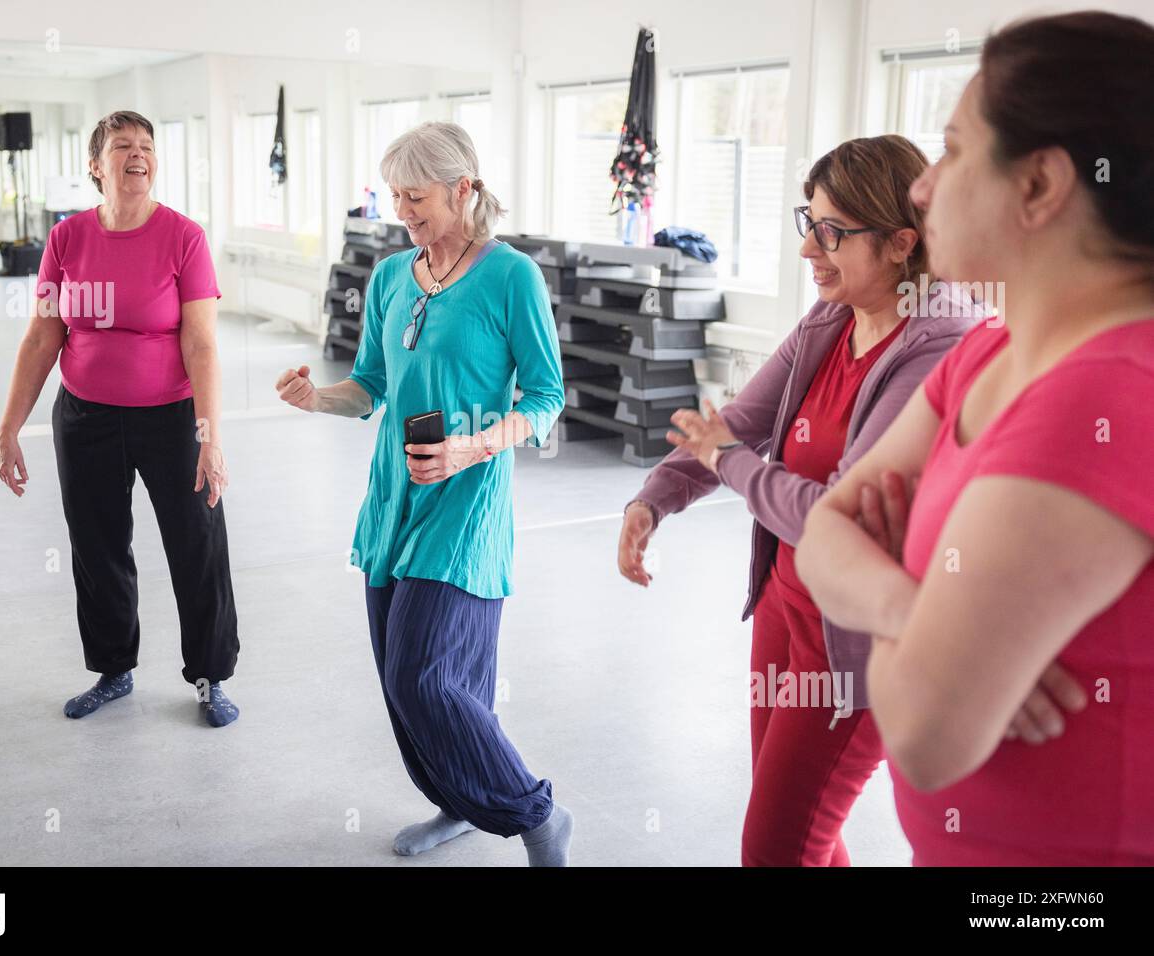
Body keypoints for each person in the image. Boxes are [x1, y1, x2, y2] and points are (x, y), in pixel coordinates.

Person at [796, 11, 1154, 865]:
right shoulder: (990, 348)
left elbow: (923, 730)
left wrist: (883, 593)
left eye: (953, 151)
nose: (922, 188)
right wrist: (913, 612)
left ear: (1038, 186)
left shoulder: (1106, 394)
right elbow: (822, 534)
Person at [619, 135, 982, 865]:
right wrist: (655, 499)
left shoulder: (939, 344)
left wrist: (727, 461)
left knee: (777, 845)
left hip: (860, 639)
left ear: (899, 244)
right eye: (807, 223)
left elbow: (832, 518)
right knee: (801, 830)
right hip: (786, 605)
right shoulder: (832, 318)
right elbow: (738, 423)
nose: (808, 250)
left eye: (832, 233)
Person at [275, 122, 571, 865]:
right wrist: (318, 399)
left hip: (467, 501)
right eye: (395, 198)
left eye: (416, 197)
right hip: (393, 498)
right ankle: (457, 801)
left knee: (424, 673)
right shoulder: (389, 277)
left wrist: (473, 446)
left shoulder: (511, 278)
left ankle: (538, 816)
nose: (403, 212)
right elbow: (370, 387)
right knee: (407, 680)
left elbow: (545, 399)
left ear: (463, 190)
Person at [0, 110, 241, 727]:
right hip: (85, 419)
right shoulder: (66, 240)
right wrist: (8, 428)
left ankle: (210, 675)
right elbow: (42, 338)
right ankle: (114, 668)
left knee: (197, 544)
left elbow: (202, 345)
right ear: (95, 166)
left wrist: (209, 437)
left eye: (147, 146)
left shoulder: (183, 237)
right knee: (98, 545)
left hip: (172, 418)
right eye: (123, 146)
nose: (138, 155)